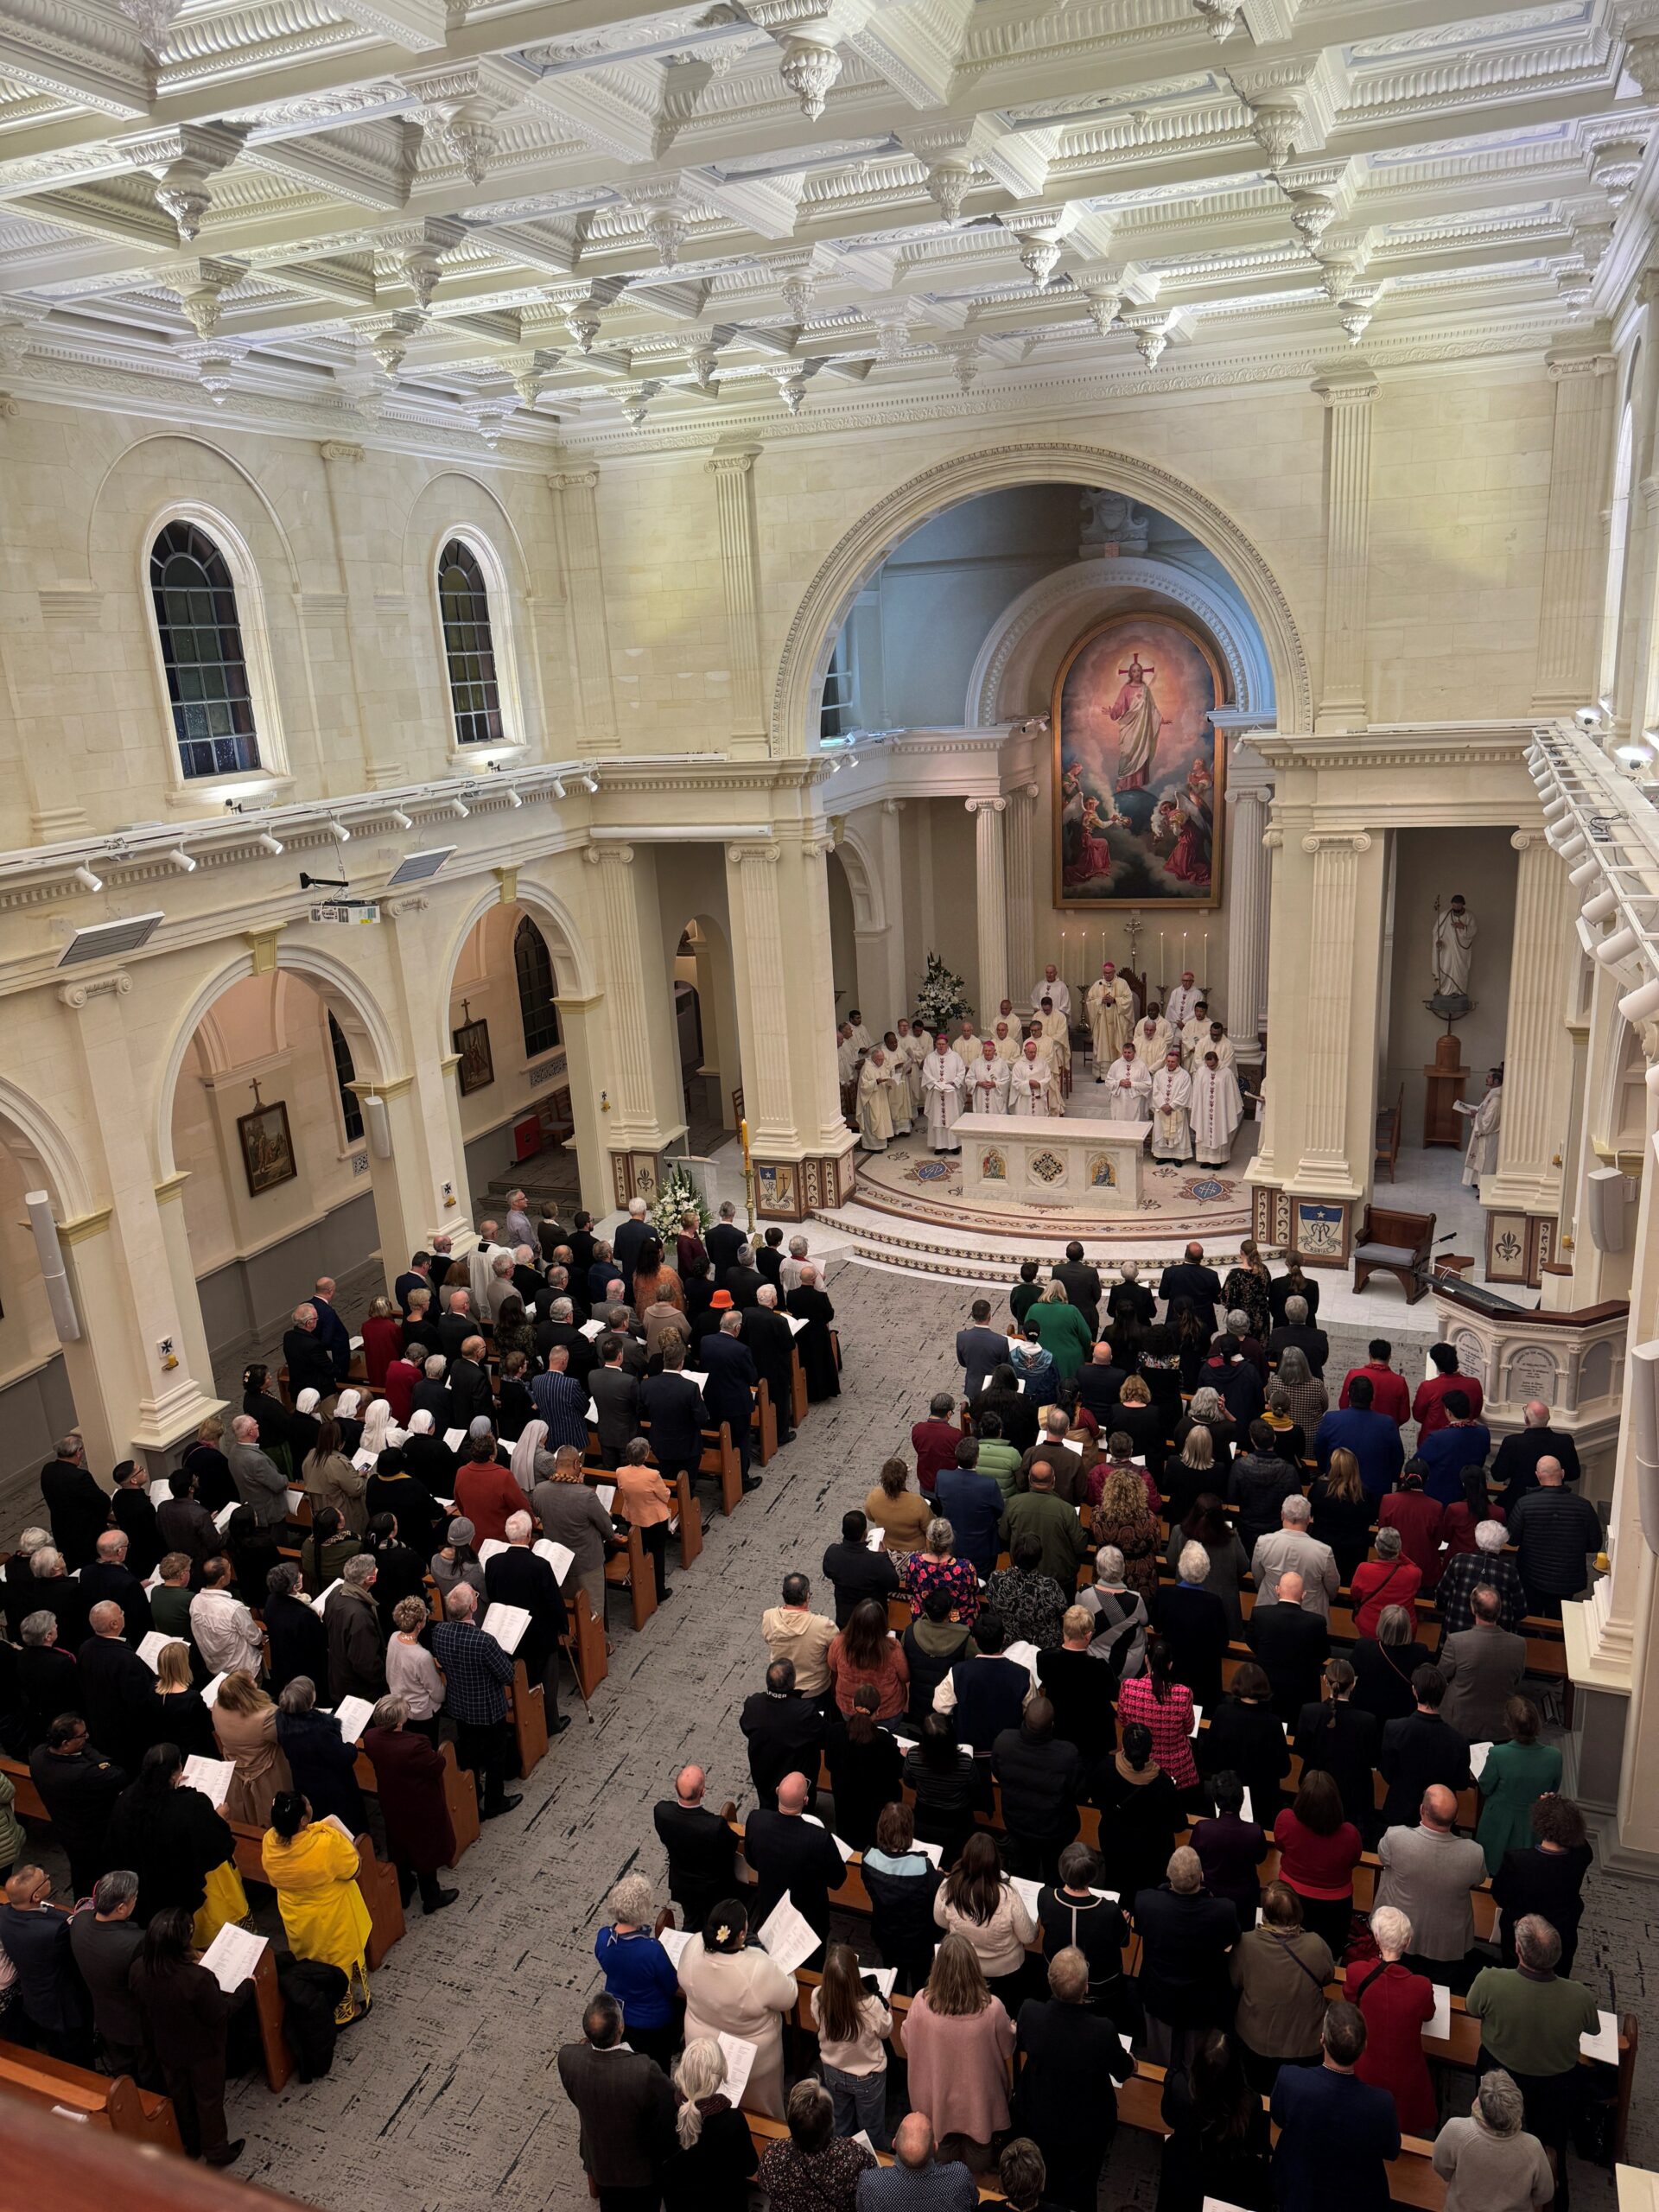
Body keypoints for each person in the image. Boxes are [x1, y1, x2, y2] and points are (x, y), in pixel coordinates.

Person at [1466, 1916, 1600, 2200]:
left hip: (1497, 2071)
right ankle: (1552, 2198)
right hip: (1555, 2083)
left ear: (1517, 1949)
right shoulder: (1579, 1996)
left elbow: (1472, 2008)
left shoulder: (1490, 1980)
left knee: (1488, 2132)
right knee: (1552, 2145)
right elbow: (1594, 2029)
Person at [1013, 1946, 1133, 2209]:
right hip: (1086, 2127)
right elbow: (1123, 2070)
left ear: (1049, 1980)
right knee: (1082, 2189)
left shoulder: (1030, 2013)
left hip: (1038, 2115)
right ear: (1086, 1987)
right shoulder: (1102, 2030)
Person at [127, 1905, 246, 2164]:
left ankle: (190, 2144)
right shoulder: (196, 1978)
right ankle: (217, 2151)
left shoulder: (139, 1969)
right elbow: (220, 2014)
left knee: (180, 2095)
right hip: (203, 2050)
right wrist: (245, 1988)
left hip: (166, 2046)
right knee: (209, 2099)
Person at [1271, 2002, 1400, 2212]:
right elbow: (1391, 2151)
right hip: (1357, 2199)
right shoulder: (1381, 2104)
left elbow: (1278, 2117)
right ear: (1364, 2047)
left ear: (1322, 2039)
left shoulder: (1291, 2080)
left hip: (1300, 2190)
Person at [903, 1935, 1016, 2171]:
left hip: (938, 2101)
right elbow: (1008, 2045)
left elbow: (907, 2040)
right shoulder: (992, 2008)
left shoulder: (921, 2003)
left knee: (941, 2164)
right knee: (978, 2166)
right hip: (978, 2104)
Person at [677, 1896, 797, 2119]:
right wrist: (784, 1967)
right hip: (753, 2059)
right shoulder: (757, 1965)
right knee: (762, 2108)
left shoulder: (693, 1946)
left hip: (702, 2043)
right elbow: (788, 1997)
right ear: (742, 1935)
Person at [558, 1992, 677, 2209]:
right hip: (639, 2168)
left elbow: (574, 2095)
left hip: (599, 2157)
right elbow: (670, 2105)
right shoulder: (642, 2069)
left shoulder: (567, 2057)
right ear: (620, 2028)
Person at [261, 1790, 372, 2024]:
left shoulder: (270, 1841)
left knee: (311, 1955)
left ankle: (315, 1991)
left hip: (297, 1914)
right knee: (338, 1959)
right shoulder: (325, 1842)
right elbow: (353, 1870)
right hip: (331, 1914)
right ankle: (345, 2013)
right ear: (303, 1821)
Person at [1376, 1784, 1490, 1990]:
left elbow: (1383, 1856)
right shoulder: (1474, 1853)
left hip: (1398, 1934)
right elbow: (1478, 1879)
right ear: (1455, 1820)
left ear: (1422, 1810)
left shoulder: (1396, 1837)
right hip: (1446, 1944)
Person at [1133, 1845, 1237, 2069]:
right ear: (1201, 1876)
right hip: (1201, 1997)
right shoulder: (1222, 1911)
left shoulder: (1147, 1902)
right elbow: (1232, 1938)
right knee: (1197, 2060)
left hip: (1159, 1991)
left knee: (1159, 2055)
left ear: (1169, 1876)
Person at [1230, 1881, 1334, 2091]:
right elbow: (1327, 1977)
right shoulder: (1316, 1945)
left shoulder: (1246, 1943)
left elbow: (1235, 1980)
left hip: (1257, 2043)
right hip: (1304, 2046)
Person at [430, 1583, 522, 1821]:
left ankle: (473, 1796)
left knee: (469, 1753)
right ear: (472, 1606)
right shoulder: (484, 1641)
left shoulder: (439, 1632)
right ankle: (494, 1801)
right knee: (495, 1755)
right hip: (488, 1708)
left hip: (460, 1704)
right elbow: (507, 1675)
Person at [1343, 1904, 1437, 2136]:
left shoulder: (1357, 1972)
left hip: (1367, 2063)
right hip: (1407, 2070)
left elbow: (1350, 1996)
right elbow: (1429, 2014)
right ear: (1406, 1943)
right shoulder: (1421, 1986)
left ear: (1376, 1937)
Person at [361, 1694, 458, 1916]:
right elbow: (437, 1765)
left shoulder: (371, 1737)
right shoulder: (415, 1745)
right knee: (425, 1847)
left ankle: (403, 1891)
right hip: (418, 1802)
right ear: (399, 1722)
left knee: (399, 1844)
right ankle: (431, 1896)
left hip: (391, 1800)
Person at [1156, 2029, 1271, 2212]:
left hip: (1186, 2162)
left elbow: (1168, 2117)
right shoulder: (1252, 2103)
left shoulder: (1180, 2087)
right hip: (1230, 2173)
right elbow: (1254, 2144)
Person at [485, 1509, 570, 1729]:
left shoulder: (493, 1562)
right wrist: (563, 1625)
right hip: (539, 1635)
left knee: (520, 1676)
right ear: (529, 1536)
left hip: (509, 1630)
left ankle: (522, 1713)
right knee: (547, 1681)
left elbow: (492, 1592)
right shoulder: (540, 1566)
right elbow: (554, 1601)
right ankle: (550, 1723)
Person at [1492, 1794, 1593, 1974]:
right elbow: (1581, 1844)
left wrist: (1550, 1809)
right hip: (1562, 1931)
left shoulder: (1518, 1861)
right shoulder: (1581, 1857)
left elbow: (1500, 1895)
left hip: (1522, 1934)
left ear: (1539, 1825)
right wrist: (1562, 1812)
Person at [29, 1713, 125, 1900]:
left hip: (65, 1828)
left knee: (80, 1873)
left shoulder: (39, 1756)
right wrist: (94, 1757)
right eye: (82, 1736)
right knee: (98, 1877)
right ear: (65, 1744)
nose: (86, 1738)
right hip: (92, 1833)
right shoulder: (81, 1773)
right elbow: (118, 1776)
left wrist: (83, 1748)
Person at [1432, 2068, 1556, 2212]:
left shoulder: (1456, 2129)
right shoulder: (1532, 2146)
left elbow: (1441, 2167)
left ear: (1481, 2104)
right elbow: (1544, 2194)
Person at [745, 1768, 847, 1945]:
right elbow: (837, 1880)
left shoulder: (756, 1820)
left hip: (770, 1907)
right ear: (806, 1800)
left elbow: (751, 1859)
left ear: (777, 1792)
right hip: (808, 1920)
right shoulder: (819, 1838)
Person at [1096, 1721, 1186, 1920]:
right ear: (1150, 1749)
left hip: (1114, 1844)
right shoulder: (1162, 1783)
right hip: (1151, 1855)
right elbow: (1180, 1823)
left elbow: (1098, 1799)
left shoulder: (1105, 1769)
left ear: (1123, 1747)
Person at [594, 1872, 679, 2074]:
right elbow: (672, 1985)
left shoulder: (603, 1939)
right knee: (658, 2071)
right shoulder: (651, 1951)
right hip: (653, 2022)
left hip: (619, 2015)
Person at [1273, 1770, 1362, 1962]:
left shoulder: (1285, 1820)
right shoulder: (1350, 1835)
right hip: (1334, 1905)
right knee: (1328, 1954)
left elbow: (1280, 1845)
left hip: (1292, 1895)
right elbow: (1354, 1861)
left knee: (1288, 1949)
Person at [811, 1940, 893, 2147]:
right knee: (871, 2127)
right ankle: (870, 2167)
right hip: (867, 2077)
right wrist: (888, 2009)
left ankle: (843, 2158)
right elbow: (886, 2031)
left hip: (833, 2071)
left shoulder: (818, 1997)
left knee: (841, 2121)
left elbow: (817, 2021)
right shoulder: (870, 2005)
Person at [662, 2038, 760, 2209]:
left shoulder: (664, 2106)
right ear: (717, 2078)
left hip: (678, 2202)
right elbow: (750, 2167)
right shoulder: (732, 2120)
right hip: (723, 2202)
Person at [992, 1696, 1081, 1882]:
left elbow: (998, 1772)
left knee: (1024, 1875)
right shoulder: (1067, 1754)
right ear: (1052, 1724)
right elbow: (1078, 1791)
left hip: (1017, 1824)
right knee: (1055, 1876)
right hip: (1055, 1831)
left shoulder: (1004, 1741)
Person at [69, 1867, 148, 2076]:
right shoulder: (135, 1942)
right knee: (146, 2072)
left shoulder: (80, 1921)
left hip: (105, 2016)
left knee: (121, 2068)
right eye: (135, 1898)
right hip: (135, 2022)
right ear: (121, 1908)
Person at [1379, 1666, 1472, 1831]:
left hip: (1400, 1810)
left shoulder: (1394, 1728)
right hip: (1439, 1817)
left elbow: (1387, 1772)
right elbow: (1462, 1783)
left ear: (1414, 1691)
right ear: (1443, 1694)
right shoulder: (1458, 1741)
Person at [1478, 1697, 1563, 1875]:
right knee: (1526, 1870)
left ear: (1508, 1724)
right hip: (1534, 1822)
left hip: (1499, 1819)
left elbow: (1486, 1787)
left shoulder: (1498, 1754)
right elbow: (1553, 1790)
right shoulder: (1554, 1756)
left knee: (1494, 1865)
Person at [1507, 1460, 1602, 1615]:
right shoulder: (1584, 1506)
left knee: (1532, 1614)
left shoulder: (1524, 1504)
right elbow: (1595, 1544)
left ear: (1538, 1476)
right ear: (1563, 1474)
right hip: (1567, 1578)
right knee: (1559, 1617)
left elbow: (1512, 1539)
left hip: (1531, 1575)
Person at [652, 1763, 738, 1936]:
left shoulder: (661, 1811)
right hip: (713, 1887)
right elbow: (732, 1845)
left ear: (676, 1787)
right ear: (703, 1792)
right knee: (715, 1924)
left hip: (683, 1883)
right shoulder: (714, 1826)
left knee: (691, 1919)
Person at [1439, 1585, 1527, 1743]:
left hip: (1460, 1721)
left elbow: (1441, 1676)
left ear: (1473, 1609)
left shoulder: (1457, 1642)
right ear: (1499, 1611)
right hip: (1500, 1724)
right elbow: (1516, 1680)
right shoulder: (1519, 1644)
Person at [742, 1657, 828, 1812]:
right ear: (793, 1683)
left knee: (768, 1808)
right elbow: (824, 1737)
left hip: (765, 1776)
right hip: (795, 1777)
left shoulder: (753, 1704)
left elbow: (746, 1727)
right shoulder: (804, 1711)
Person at [1245, 1570, 1331, 1725]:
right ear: (1303, 1595)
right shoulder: (1316, 1622)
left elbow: (1251, 1642)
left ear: (1277, 1590)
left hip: (1267, 1688)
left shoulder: (1260, 1615)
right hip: (1302, 1692)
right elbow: (1324, 1653)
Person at [213, 1669, 294, 1827]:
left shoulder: (217, 1707)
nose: (255, 1683)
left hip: (236, 1773)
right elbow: (285, 1737)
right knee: (275, 1819)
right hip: (266, 1775)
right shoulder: (265, 1717)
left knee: (247, 1818)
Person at [1118, 1634, 1198, 1790]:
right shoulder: (1183, 1694)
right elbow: (1188, 1729)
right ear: (1170, 1665)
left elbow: (1123, 1721)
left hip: (1135, 1763)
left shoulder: (1128, 1687)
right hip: (1175, 1768)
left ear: (1146, 1660)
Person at [1313, 1376, 1404, 1501]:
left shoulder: (1331, 1419)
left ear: (1349, 1395)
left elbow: (1320, 1451)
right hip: (1374, 1494)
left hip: (1336, 1491)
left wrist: (1327, 1471)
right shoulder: (1387, 1424)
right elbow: (1397, 1459)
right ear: (1372, 1397)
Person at [1251, 1493, 1339, 1620]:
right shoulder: (1323, 1552)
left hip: (1270, 1609)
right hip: (1310, 1615)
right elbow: (1332, 1587)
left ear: (1282, 1515)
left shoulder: (1263, 1543)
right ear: (1309, 1519)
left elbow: (1258, 1578)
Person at [323, 1553, 387, 1704]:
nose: (377, 1570)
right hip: (359, 1691)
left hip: (338, 1675)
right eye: (374, 1569)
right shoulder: (360, 1616)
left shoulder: (336, 1592)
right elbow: (365, 1662)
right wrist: (383, 1679)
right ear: (370, 1579)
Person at [762, 1572, 837, 1700]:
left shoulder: (769, 1617)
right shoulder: (823, 1626)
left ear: (783, 1595)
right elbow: (837, 1651)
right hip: (815, 1691)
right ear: (807, 1596)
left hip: (781, 1686)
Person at [40, 1433, 110, 1570]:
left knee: (74, 1567)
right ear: (78, 1452)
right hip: (86, 1534)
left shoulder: (47, 1469)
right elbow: (102, 1501)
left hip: (61, 1530)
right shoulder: (80, 1477)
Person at [935, 1441, 1003, 1581]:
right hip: (982, 1549)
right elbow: (1000, 1511)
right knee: (982, 1584)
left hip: (953, 1547)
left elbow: (939, 1505)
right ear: (976, 1460)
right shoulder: (988, 1485)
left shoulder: (942, 1478)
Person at [1492, 1401, 1582, 1506]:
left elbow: (1498, 1475)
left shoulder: (1512, 1442)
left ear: (1526, 1420)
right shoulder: (1565, 1441)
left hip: (1518, 1501)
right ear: (1548, 1419)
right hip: (1554, 1503)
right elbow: (1574, 1474)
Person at [1227, 1421, 1299, 1551]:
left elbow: (1231, 1497)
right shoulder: (1288, 1470)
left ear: (1252, 1441)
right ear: (1274, 1439)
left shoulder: (1240, 1466)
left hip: (1246, 1529)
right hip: (1277, 1531)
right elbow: (1297, 1502)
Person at [823, 1510, 901, 1628]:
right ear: (865, 1533)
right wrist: (884, 1555)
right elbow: (893, 1583)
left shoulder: (832, 1552)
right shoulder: (876, 1561)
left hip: (845, 1619)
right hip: (872, 1622)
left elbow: (828, 1572)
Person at [1308, 1447, 1373, 1586]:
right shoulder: (1364, 1493)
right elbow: (1371, 1517)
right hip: (1353, 1552)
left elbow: (1310, 1511)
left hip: (1323, 1547)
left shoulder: (1320, 1489)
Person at [1414, 1342, 1484, 1435]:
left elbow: (1418, 1415)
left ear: (1437, 1364)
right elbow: (1475, 1413)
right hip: (1464, 1436)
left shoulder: (1428, 1387)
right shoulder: (1474, 1384)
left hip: (1433, 1437)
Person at [867, 1457, 933, 1554]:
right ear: (905, 1478)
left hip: (887, 1550)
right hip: (914, 1554)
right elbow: (930, 1528)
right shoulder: (917, 1502)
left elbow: (870, 1517)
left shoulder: (874, 1496)